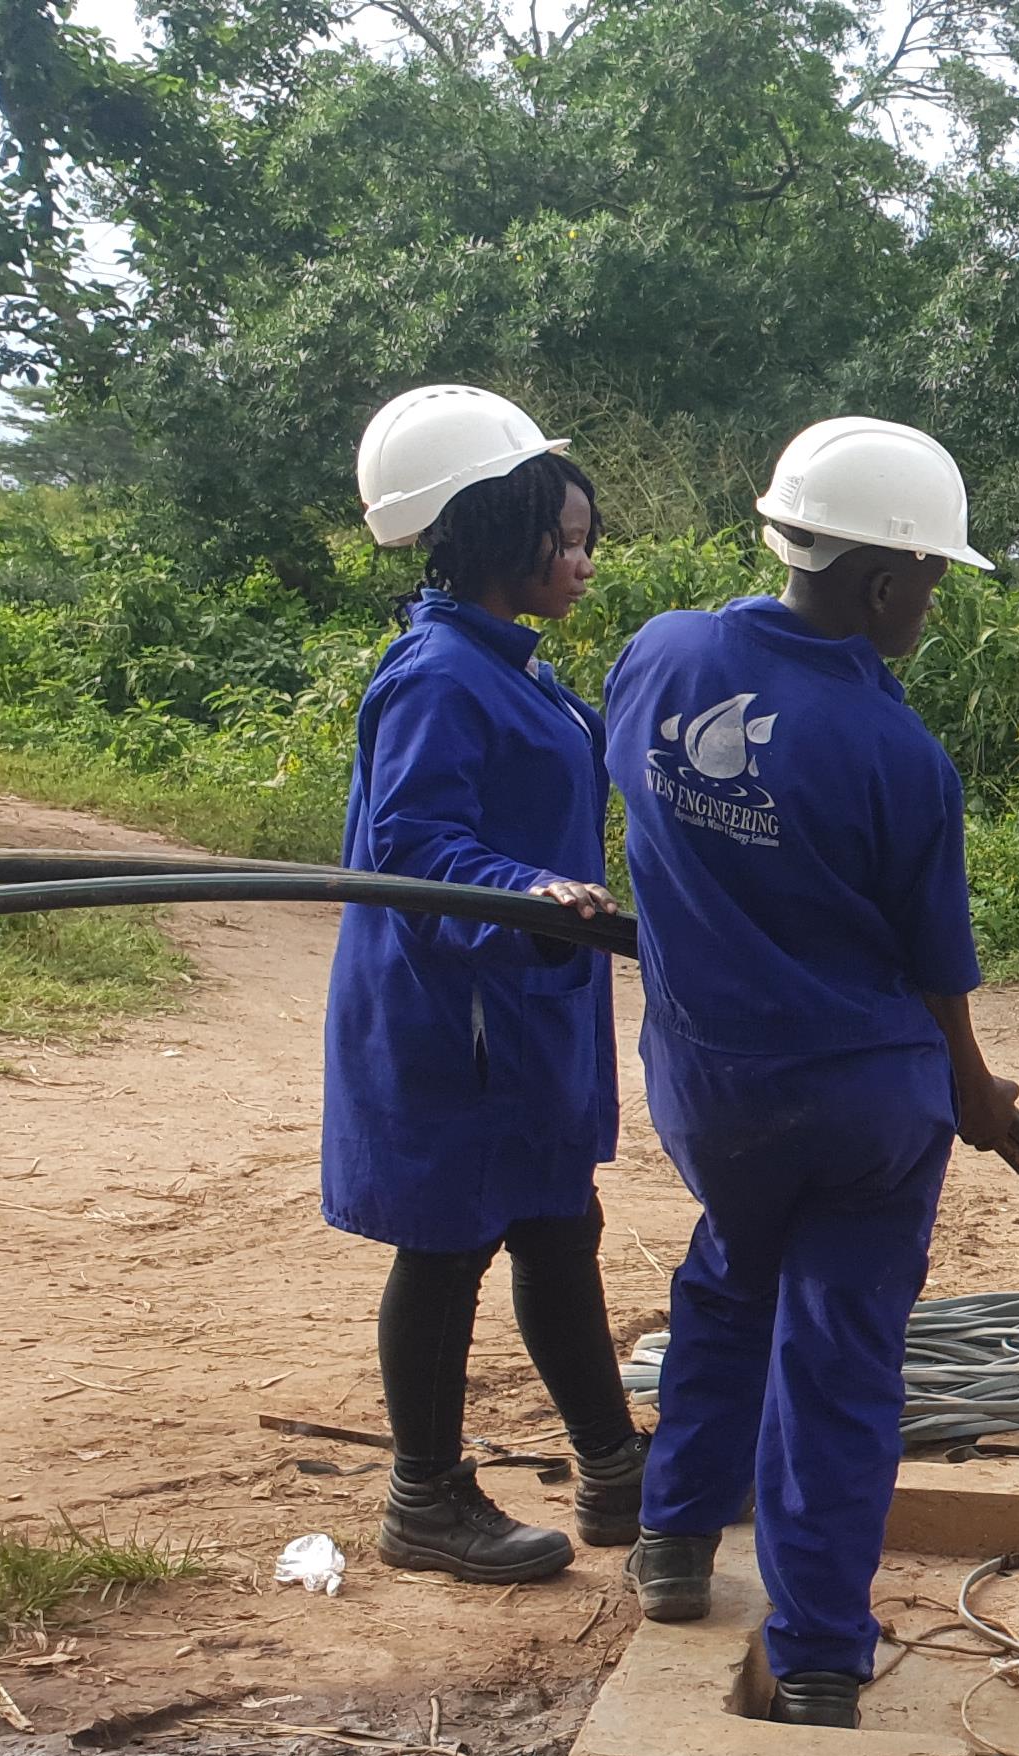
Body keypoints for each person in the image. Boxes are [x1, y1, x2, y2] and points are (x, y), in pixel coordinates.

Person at [595, 417, 1017, 1730]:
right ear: (884, 582)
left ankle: (673, 1545)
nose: (933, 605)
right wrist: (975, 1088)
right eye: (932, 582)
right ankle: (824, 1648)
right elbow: (937, 969)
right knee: (837, 1354)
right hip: (860, 1110)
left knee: (731, 1271)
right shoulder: (899, 759)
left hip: (710, 1091)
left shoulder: (658, 656)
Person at [325, 384, 646, 1585]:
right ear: (499, 531)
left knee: (560, 1229)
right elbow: (411, 849)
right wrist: (526, 890)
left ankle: (617, 1469)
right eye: (564, 542)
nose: (581, 563)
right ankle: (425, 1501)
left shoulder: (513, 669)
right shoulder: (437, 676)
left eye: (585, 542)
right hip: (454, 1012)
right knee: (447, 1245)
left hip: (523, 1007)